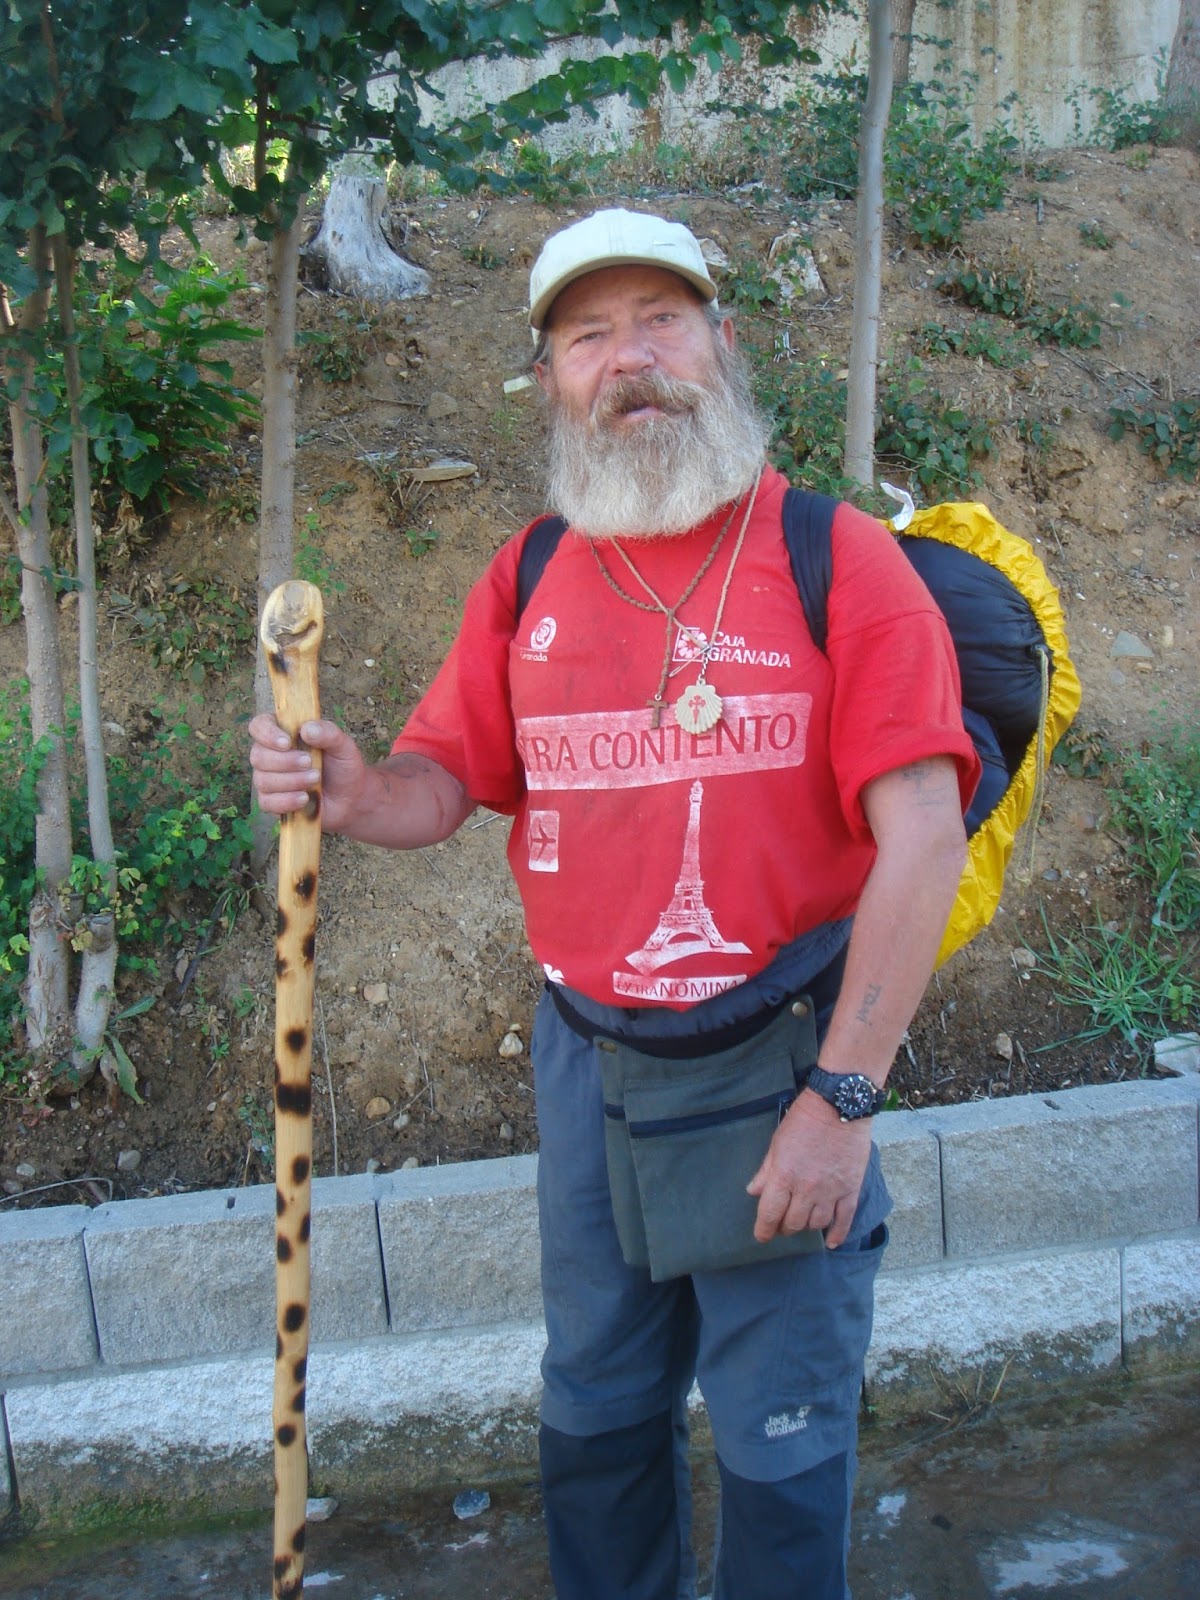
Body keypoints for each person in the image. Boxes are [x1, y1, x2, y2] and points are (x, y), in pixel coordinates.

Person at [251, 208, 979, 1600]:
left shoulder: (839, 563)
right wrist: (349, 789)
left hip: (785, 1057)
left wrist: (844, 1103)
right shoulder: (529, 578)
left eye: (660, 319)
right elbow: (442, 785)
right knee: (593, 1415)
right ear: (547, 382)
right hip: (590, 1066)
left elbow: (924, 839)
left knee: (781, 1445)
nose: (628, 360)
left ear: (722, 343)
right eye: (589, 335)